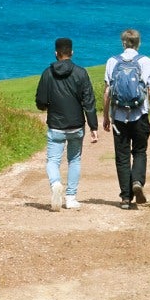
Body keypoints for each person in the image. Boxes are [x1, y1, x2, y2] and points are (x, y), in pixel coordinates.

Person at [31, 36, 97, 211]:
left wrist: (46, 106)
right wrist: (94, 126)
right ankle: (71, 198)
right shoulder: (81, 73)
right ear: (72, 52)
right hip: (76, 125)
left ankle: (55, 184)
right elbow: (89, 101)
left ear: (56, 53)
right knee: (74, 160)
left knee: (53, 160)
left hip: (56, 126)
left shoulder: (47, 73)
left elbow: (40, 101)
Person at [103, 29, 150, 209]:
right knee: (139, 151)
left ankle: (125, 198)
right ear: (138, 43)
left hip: (119, 117)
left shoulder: (112, 61)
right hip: (140, 114)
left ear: (123, 43)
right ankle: (137, 181)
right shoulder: (146, 61)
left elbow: (107, 92)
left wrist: (105, 116)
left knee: (122, 156)